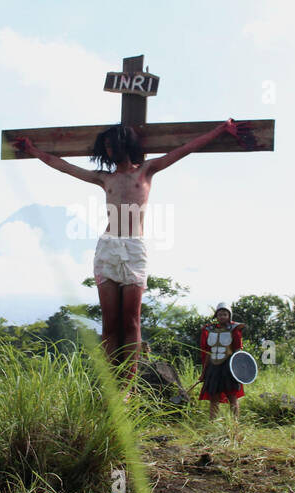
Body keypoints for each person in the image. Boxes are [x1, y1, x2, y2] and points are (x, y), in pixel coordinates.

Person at [14, 119, 246, 378]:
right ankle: (111, 382)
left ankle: (129, 380)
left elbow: (185, 148)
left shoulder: (146, 171)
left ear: (125, 144)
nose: (111, 151)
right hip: (108, 249)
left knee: (131, 321)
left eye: (113, 145)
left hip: (134, 250)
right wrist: (33, 151)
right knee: (110, 323)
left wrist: (220, 129)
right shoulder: (105, 178)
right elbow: (65, 167)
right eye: (107, 147)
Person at [199, 302, 245, 419]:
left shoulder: (235, 329)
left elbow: (237, 350)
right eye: (220, 314)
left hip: (228, 368)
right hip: (214, 367)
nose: (222, 317)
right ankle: (212, 423)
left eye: (225, 314)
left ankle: (235, 424)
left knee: (232, 396)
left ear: (229, 316)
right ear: (216, 316)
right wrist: (203, 373)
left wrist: (238, 370)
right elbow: (208, 352)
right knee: (214, 397)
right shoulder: (209, 330)